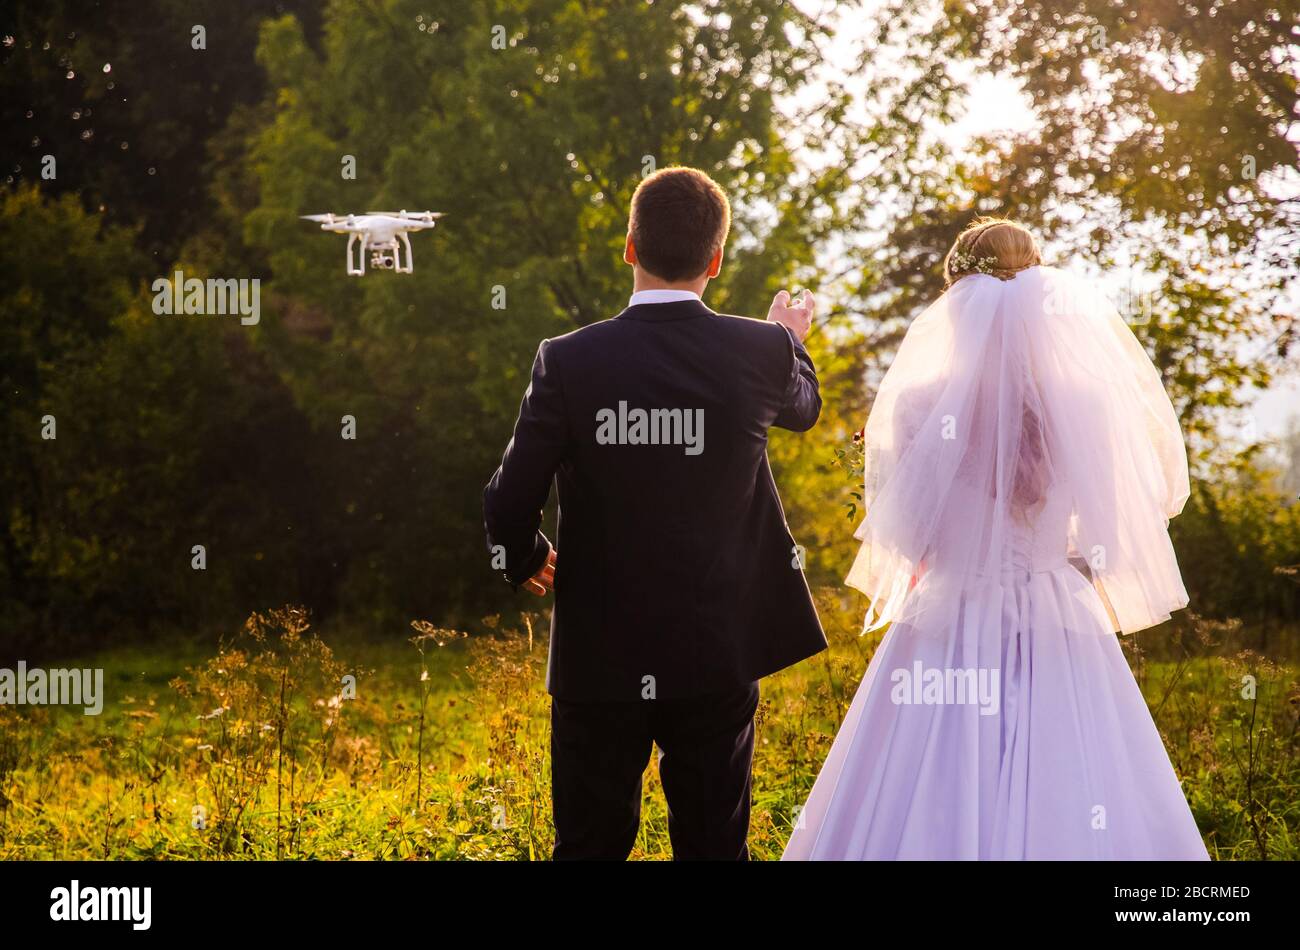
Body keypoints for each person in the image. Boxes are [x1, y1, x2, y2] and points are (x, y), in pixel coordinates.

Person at [783, 218, 1208, 860]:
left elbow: (904, 540)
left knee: (922, 776)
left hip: (950, 615)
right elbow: (1105, 538)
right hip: (1056, 612)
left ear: (957, 301)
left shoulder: (921, 404)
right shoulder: (1086, 403)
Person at [484, 166, 827, 860]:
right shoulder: (760, 350)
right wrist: (788, 338)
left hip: (597, 655)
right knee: (713, 846)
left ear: (629, 248)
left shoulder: (567, 360)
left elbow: (508, 496)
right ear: (717, 260)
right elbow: (804, 410)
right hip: (717, 649)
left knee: (588, 845)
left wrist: (523, 557)